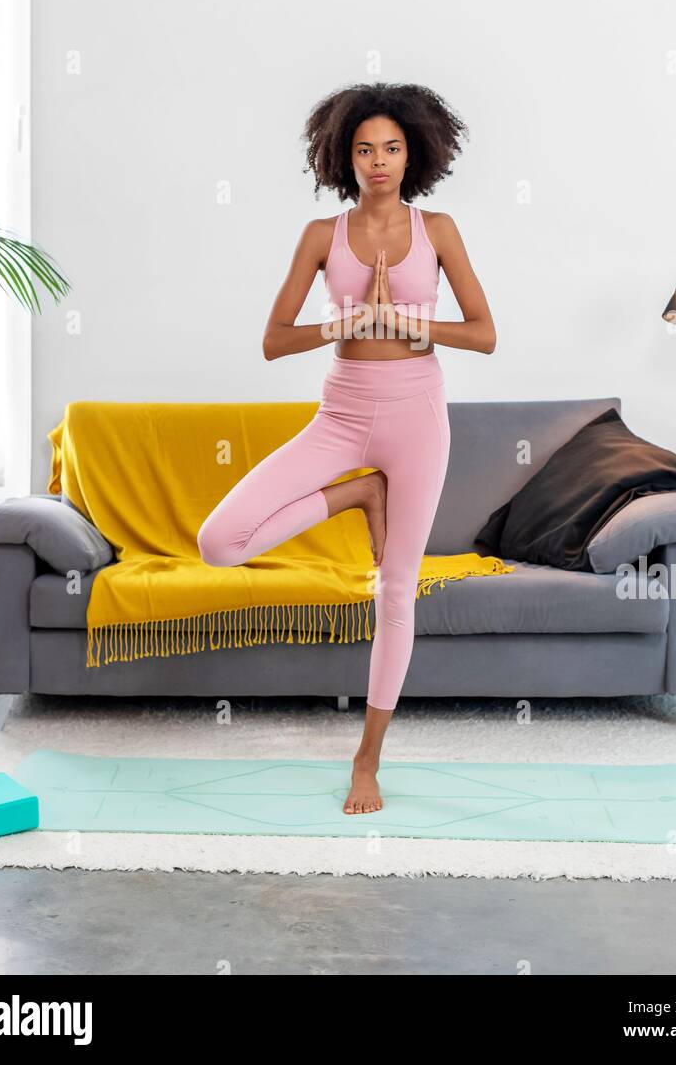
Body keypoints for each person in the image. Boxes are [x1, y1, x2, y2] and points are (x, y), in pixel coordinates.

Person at [197, 82, 497, 814]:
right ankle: (358, 493)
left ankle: (367, 759)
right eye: (364, 150)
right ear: (344, 157)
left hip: (418, 415)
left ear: (413, 154)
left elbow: (484, 334)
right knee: (219, 542)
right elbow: (273, 342)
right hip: (342, 412)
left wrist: (405, 322)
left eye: (391, 148)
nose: (378, 161)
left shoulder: (439, 230)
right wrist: (347, 323)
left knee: (396, 589)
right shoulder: (319, 237)